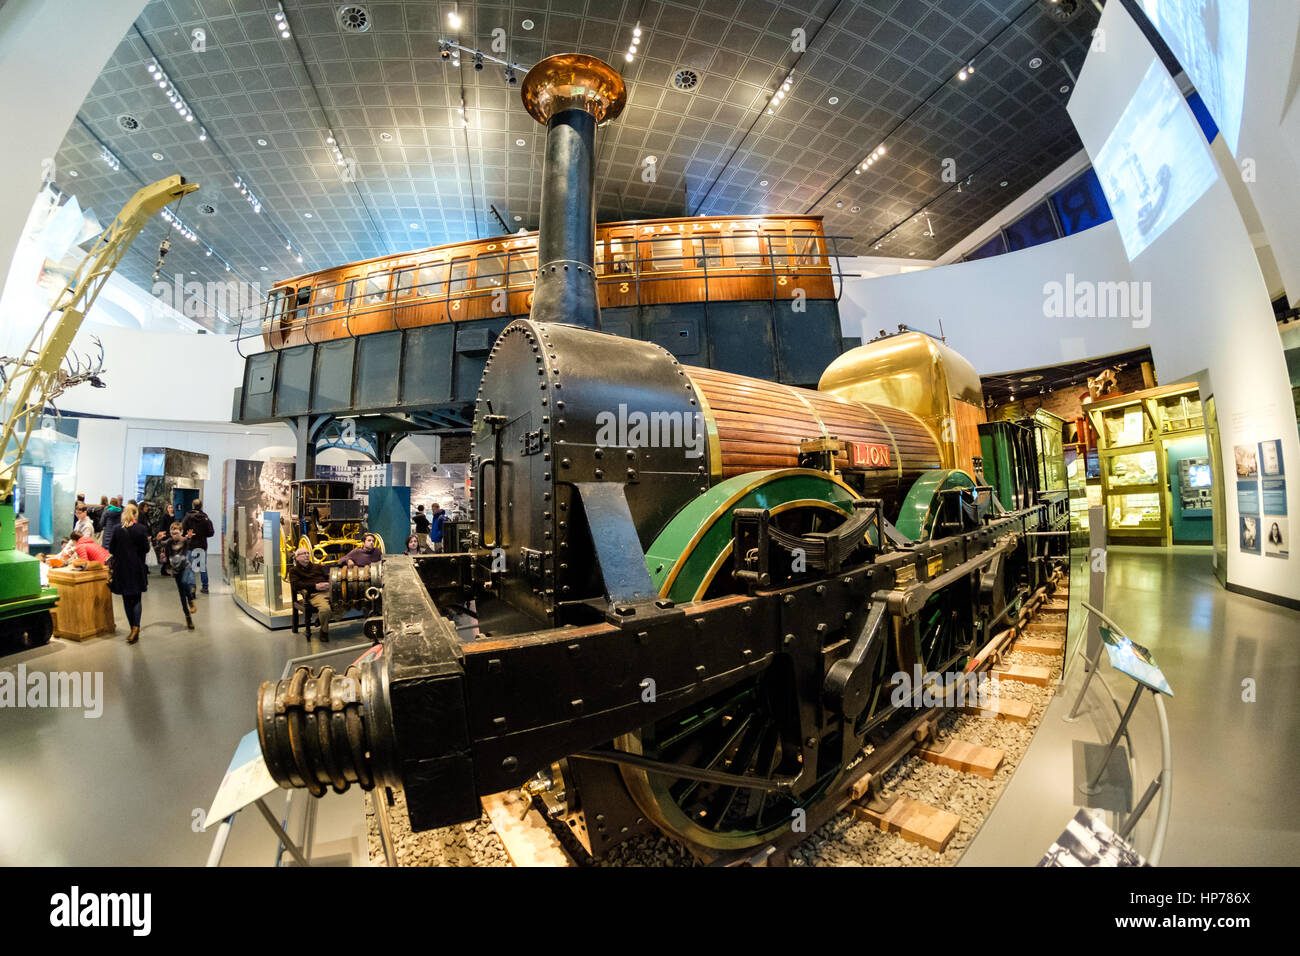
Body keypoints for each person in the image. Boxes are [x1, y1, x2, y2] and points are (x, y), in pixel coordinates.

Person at [108, 503, 150, 644]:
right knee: (137, 598)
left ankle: (132, 628)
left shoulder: (116, 529)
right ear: (135, 514)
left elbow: (111, 549)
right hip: (137, 567)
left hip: (122, 568)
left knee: (126, 599)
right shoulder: (141, 529)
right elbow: (146, 549)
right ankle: (136, 627)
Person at [287, 546, 332, 640]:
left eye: (308, 553)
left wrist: (329, 583)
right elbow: (297, 585)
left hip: (328, 591)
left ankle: (320, 618)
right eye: (304, 553)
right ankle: (324, 632)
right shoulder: (294, 571)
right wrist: (315, 586)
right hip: (314, 594)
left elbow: (327, 577)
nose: (307, 555)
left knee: (345, 602)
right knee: (325, 610)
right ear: (297, 557)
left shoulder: (317, 566)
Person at [161, 522, 196, 629]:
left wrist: (189, 537)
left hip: (185, 567)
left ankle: (190, 599)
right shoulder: (169, 542)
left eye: (177, 531)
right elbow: (161, 544)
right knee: (181, 595)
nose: (174, 534)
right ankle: (188, 617)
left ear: (181, 532)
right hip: (175, 570)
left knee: (185, 582)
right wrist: (157, 539)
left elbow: (189, 541)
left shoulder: (184, 541)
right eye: (172, 531)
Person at [181, 498, 215, 594]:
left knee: (190, 567)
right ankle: (205, 587)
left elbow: (182, 531)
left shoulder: (187, 517)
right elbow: (211, 533)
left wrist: (188, 535)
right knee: (203, 567)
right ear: (201, 506)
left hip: (191, 545)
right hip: (202, 546)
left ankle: (192, 588)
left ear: (193, 506)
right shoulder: (205, 518)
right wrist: (203, 534)